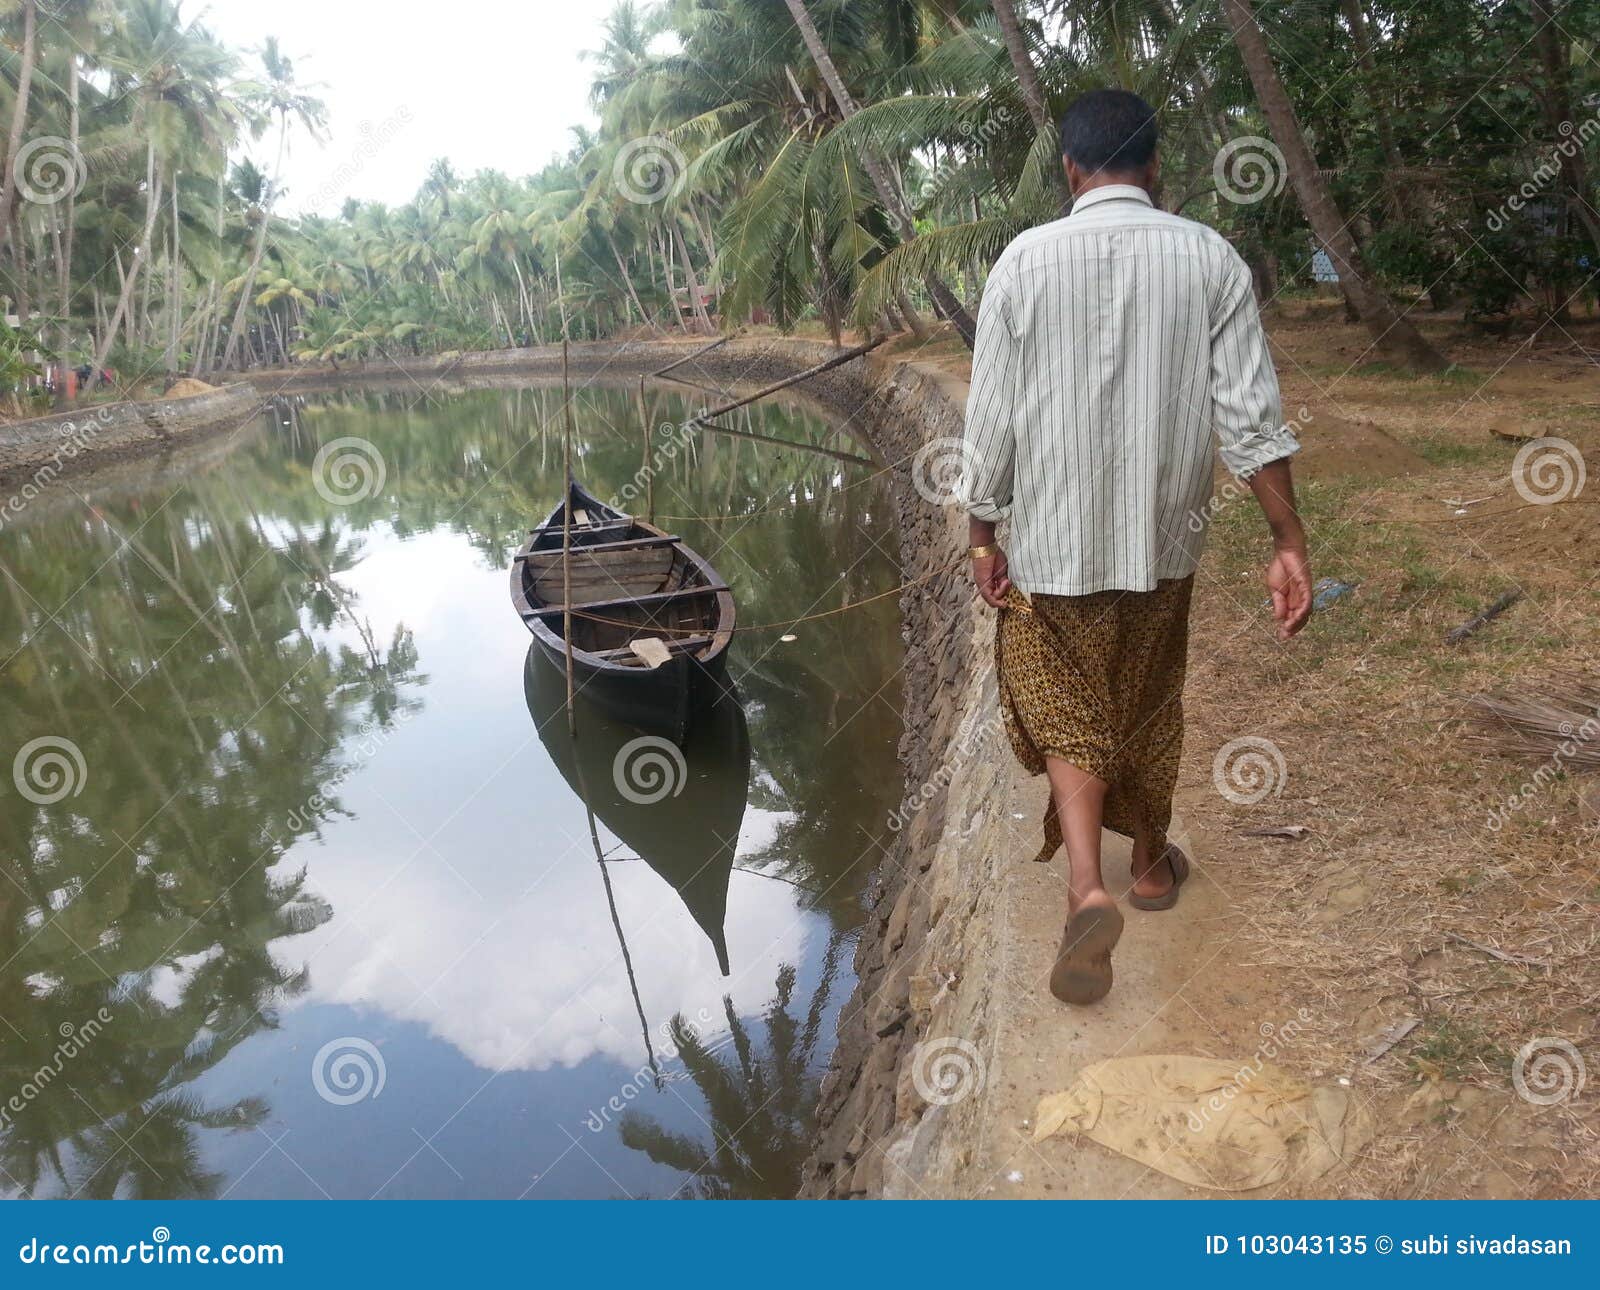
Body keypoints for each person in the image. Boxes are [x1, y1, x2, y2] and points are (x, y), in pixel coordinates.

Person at [957, 88, 1312, 1006]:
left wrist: (981, 531)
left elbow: (991, 421)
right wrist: (1288, 541)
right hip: (1166, 540)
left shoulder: (1022, 264)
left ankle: (1087, 888)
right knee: (1149, 698)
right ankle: (1151, 867)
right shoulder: (1210, 258)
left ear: (1072, 171)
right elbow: (1250, 418)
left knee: (1068, 706)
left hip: (1049, 542)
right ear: (1154, 168)